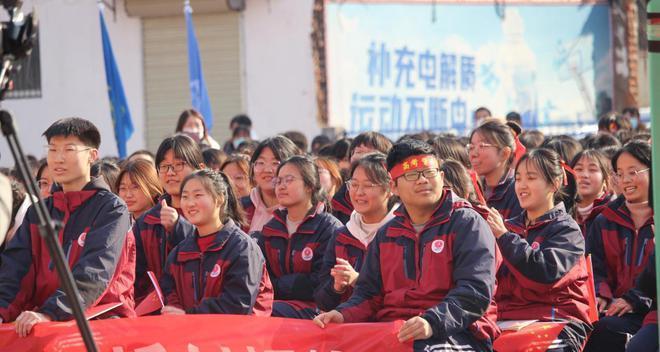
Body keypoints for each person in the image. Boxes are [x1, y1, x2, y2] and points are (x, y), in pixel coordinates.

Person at [314, 139, 499, 351]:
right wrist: (342, 314)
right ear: (394, 186)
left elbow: (474, 292)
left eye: (429, 172)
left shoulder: (467, 224)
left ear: (441, 177)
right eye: (412, 175)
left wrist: (432, 321)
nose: (422, 181)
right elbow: (368, 295)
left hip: (457, 332)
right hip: (393, 330)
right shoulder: (387, 234)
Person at [0, 117, 135, 336]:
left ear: (92, 155)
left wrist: (51, 313)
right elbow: (15, 271)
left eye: (69, 149)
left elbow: (94, 272)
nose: (58, 159)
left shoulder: (111, 209)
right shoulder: (39, 211)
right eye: (52, 150)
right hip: (45, 323)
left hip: (101, 323)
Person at [486, 148, 593, 351]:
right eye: (518, 179)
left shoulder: (567, 230)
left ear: (554, 183)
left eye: (531, 178)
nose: (522, 186)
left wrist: (505, 238)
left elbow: (544, 274)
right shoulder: (507, 226)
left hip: (556, 318)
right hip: (506, 319)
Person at [159, 170, 272, 316]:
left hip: (239, 336)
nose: (190, 203)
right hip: (188, 334)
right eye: (185, 197)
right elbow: (169, 292)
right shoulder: (180, 252)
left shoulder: (242, 248)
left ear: (219, 199)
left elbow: (237, 305)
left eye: (198, 195)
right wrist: (175, 312)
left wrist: (188, 315)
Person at [584, 141, 654, 352]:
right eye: (620, 173)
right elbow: (593, 266)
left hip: (652, 311)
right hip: (615, 308)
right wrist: (601, 294)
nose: (625, 180)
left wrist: (635, 299)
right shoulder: (605, 220)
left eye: (633, 172)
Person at [254, 156, 342, 319]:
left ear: (309, 185)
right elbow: (261, 277)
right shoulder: (271, 228)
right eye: (278, 181)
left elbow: (320, 282)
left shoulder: (328, 228)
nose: (281, 186)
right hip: (275, 303)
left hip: (316, 310)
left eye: (289, 180)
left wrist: (279, 285)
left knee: (263, 313)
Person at [314, 153, 398, 312]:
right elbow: (321, 301)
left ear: (390, 188)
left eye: (368, 185)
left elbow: (405, 296)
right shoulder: (342, 235)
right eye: (354, 184)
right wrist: (336, 287)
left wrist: (358, 281)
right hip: (345, 325)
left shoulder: (401, 233)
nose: (358, 192)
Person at [132, 134, 205, 304]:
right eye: (164, 166)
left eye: (178, 165)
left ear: (200, 168)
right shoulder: (146, 222)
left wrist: (179, 228)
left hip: (203, 313)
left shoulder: (214, 213)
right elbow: (135, 278)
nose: (170, 173)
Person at [241, 136, 301, 233]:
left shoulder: (303, 210)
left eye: (275, 163)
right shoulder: (241, 208)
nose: (267, 170)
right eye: (261, 162)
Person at [331, 132, 392, 224]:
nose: (364, 158)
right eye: (359, 152)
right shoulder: (338, 202)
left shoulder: (401, 210)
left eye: (371, 154)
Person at [468, 119, 522, 219]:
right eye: (471, 147)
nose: (473, 154)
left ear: (505, 153)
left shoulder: (519, 189)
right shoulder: (471, 188)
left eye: (482, 146)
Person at [570, 149, 613, 237]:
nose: (584, 175)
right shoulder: (564, 212)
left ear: (605, 179)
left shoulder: (612, 213)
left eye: (592, 170)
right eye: (579, 169)